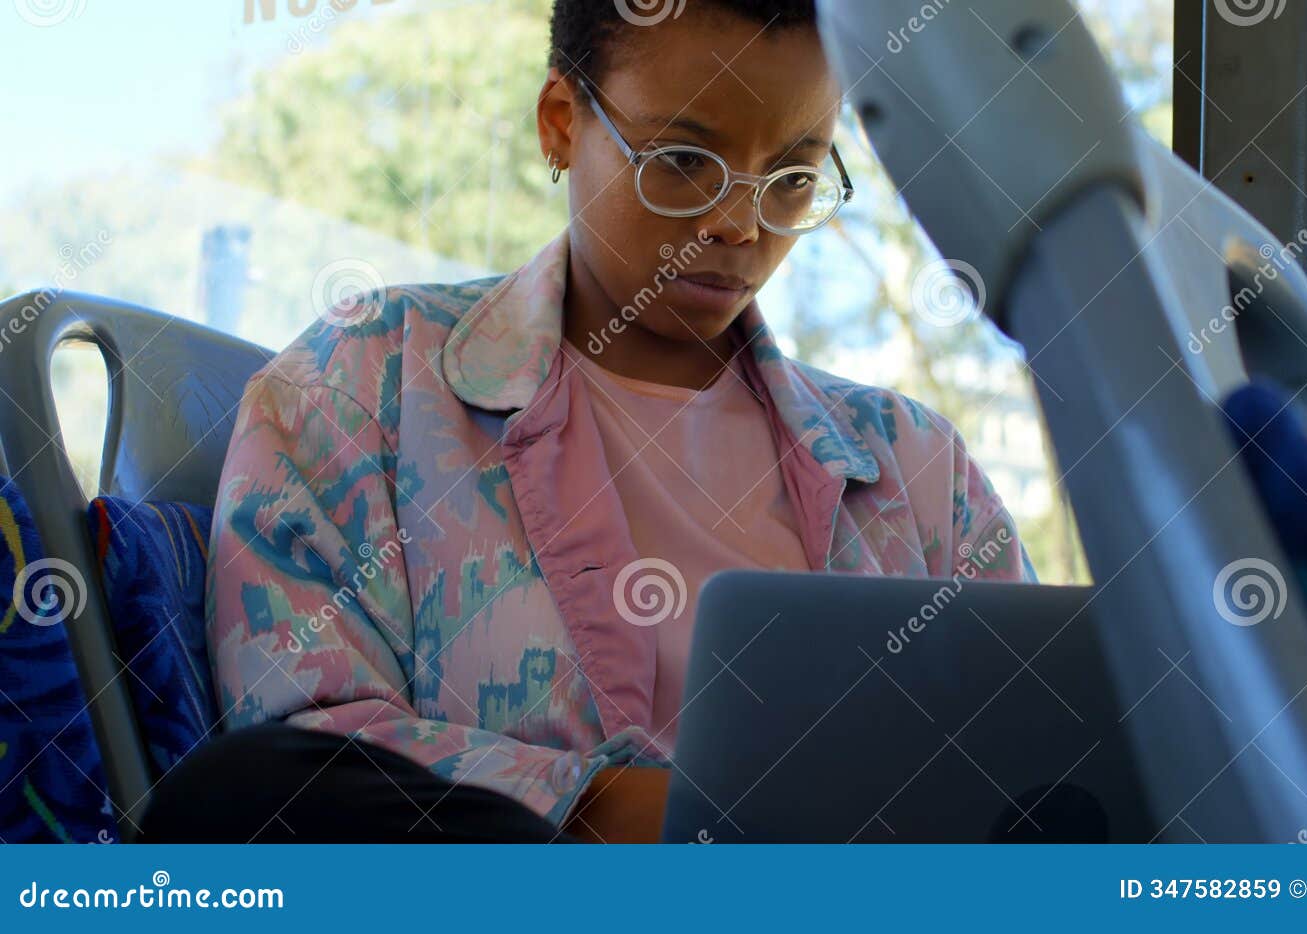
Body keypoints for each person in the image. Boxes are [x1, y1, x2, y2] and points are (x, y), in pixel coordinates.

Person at [146, 0, 1034, 844]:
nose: (738, 223)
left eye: (794, 177)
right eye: (683, 160)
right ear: (562, 122)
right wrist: (698, 829)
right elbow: (303, 758)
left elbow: (1037, 763)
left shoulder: (917, 469)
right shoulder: (362, 386)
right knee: (234, 797)